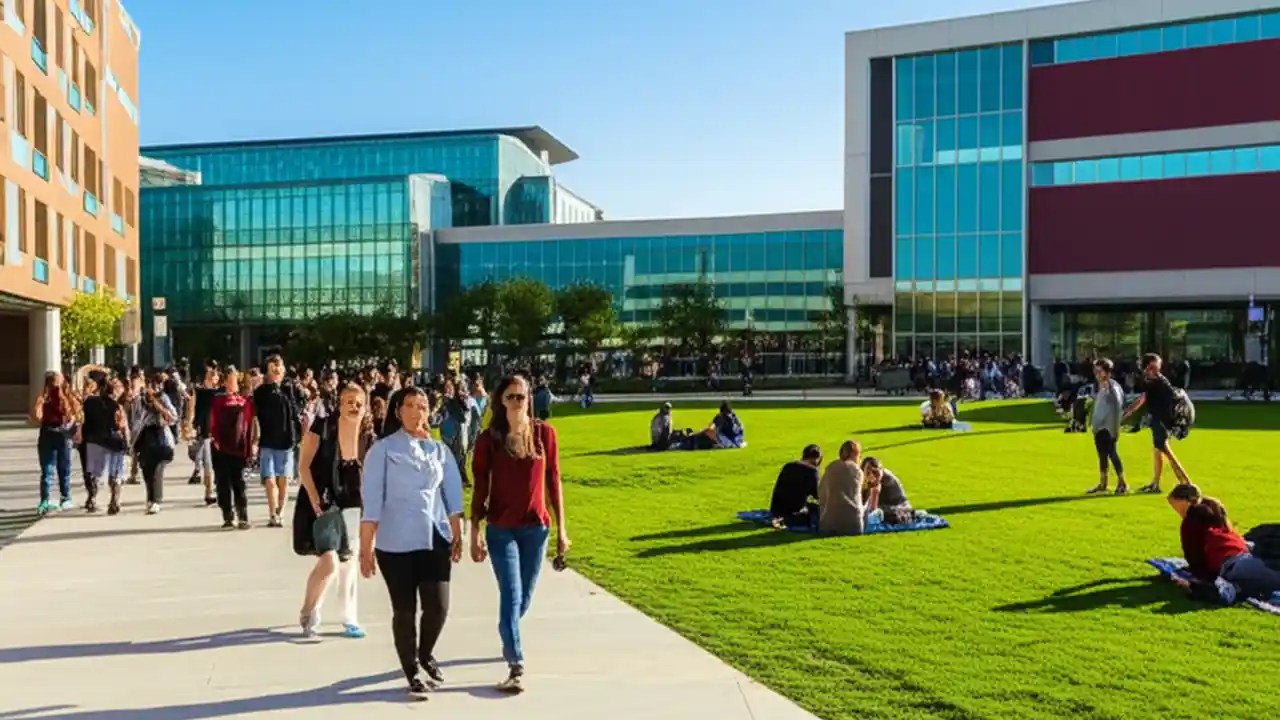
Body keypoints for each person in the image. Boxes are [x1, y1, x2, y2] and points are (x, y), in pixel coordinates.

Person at [360, 386, 464, 698]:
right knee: (404, 611)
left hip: (434, 538)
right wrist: (366, 548)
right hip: (395, 543)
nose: (418, 411)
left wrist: (458, 532)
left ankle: (425, 652)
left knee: (438, 607)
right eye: (411, 405)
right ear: (398, 411)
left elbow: (453, 495)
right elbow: (372, 503)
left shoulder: (438, 450)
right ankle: (412, 671)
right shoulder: (383, 450)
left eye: (423, 405)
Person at [471, 374, 570, 693]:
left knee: (522, 600)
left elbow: (554, 482)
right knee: (511, 597)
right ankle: (515, 663)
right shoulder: (489, 439)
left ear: (530, 398)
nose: (517, 401)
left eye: (522, 396)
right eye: (511, 396)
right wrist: (475, 530)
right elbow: (480, 487)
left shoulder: (545, 434)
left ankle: (507, 630)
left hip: (536, 528)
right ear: (501, 400)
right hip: (501, 529)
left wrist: (562, 530)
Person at [297, 383, 375, 640]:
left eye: (359, 403)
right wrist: (314, 498)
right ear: (339, 405)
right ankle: (310, 609)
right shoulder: (323, 427)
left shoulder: (369, 437)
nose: (354, 406)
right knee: (328, 560)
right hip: (324, 498)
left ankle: (349, 617)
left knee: (348, 561)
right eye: (348, 401)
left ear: (366, 408)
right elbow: (304, 466)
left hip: (354, 500)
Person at [1167, 484, 1280, 602]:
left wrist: (1199, 579)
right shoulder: (1216, 516)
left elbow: (1194, 557)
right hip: (1244, 557)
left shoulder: (1192, 522)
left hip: (1235, 564)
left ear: (1185, 501)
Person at [1123, 353, 1192, 494]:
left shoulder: (1158, 381)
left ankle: (1187, 484)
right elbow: (1143, 398)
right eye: (1154, 365)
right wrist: (1129, 411)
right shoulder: (1151, 380)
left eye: (1156, 365)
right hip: (1158, 421)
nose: (1157, 368)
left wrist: (1129, 412)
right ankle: (1155, 484)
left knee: (1168, 454)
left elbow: (1170, 399)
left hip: (1161, 422)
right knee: (1157, 452)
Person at [254, 355, 300, 528]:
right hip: (267, 441)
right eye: (273, 368)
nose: (276, 370)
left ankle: (281, 510)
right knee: (269, 479)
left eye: (279, 367)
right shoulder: (260, 392)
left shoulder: (289, 390)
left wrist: (299, 436)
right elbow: (255, 417)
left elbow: (295, 413)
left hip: (287, 440)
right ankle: (273, 513)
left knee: (284, 479)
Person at [209, 367, 256, 529]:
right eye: (229, 380)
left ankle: (243, 516)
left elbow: (250, 425)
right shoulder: (218, 400)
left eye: (234, 380)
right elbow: (213, 421)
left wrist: (252, 446)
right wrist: (215, 439)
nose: (232, 383)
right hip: (221, 448)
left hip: (239, 449)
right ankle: (228, 516)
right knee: (223, 483)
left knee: (240, 483)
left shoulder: (245, 402)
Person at [80, 372, 130, 514]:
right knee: (115, 473)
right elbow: (122, 425)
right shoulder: (116, 406)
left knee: (94, 472)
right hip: (113, 440)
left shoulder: (88, 402)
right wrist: (127, 442)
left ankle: (92, 498)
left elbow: (82, 419)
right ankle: (114, 500)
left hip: (93, 440)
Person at [32, 371, 79, 514]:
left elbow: (35, 416)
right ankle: (65, 498)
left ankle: (45, 500)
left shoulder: (43, 398)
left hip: (48, 433)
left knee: (47, 470)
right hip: (63, 435)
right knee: (63, 468)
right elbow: (76, 413)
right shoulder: (67, 396)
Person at [135, 372, 179, 515]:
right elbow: (135, 418)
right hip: (145, 434)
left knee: (157, 469)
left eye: (157, 384)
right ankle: (150, 498)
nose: (153, 387)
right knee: (147, 469)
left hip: (159, 434)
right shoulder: (140, 400)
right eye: (151, 384)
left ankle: (156, 500)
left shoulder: (163, 398)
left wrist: (158, 406)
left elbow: (174, 417)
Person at [1086, 358, 1128, 495]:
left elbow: (1117, 409)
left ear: (1107, 372)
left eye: (1099, 371)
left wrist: (1114, 429)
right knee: (1102, 455)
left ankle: (1122, 483)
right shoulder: (1101, 386)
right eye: (1095, 371)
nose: (1097, 374)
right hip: (1099, 427)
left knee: (1112, 453)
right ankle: (1103, 483)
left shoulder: (1113, 388)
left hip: (1109, 427)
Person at [818, 440, 876, 536]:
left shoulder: (830, 468)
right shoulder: (857, 471)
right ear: (855, 454)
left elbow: (821, 494)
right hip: (853, 527)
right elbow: (860, 499)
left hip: (827, 526)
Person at [185, 361, 222, 505]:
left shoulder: (220, 392)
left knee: (212, 460)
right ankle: (209, 491)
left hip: (218, 429)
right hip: (205, 428)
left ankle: (210, 486)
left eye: (215, 375)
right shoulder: (199, 391)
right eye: (211, 374)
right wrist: (189, 425)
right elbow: (192, 408)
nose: (214, 377)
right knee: (208, 461)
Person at [769, 444, 821, 529]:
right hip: (794, 511)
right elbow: (818, 495)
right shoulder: (812, 471)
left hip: (776, 509)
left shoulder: (788, 465)